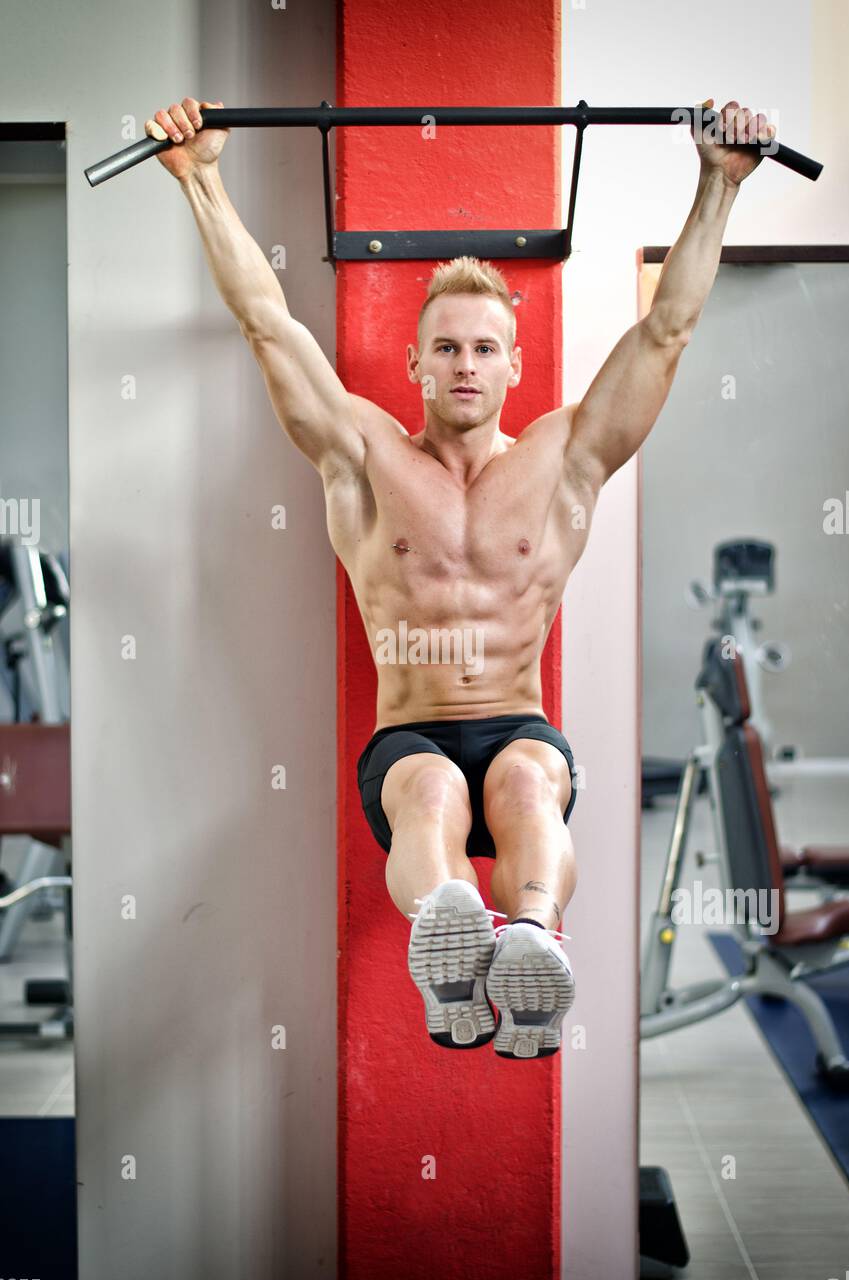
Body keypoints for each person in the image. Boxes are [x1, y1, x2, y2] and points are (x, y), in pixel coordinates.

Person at [145, 96, 775, 1058]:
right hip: (408, 738)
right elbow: (266, 325)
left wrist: (718, 185)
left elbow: (665, 332)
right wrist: (199, 177)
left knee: (525, 784)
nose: (465, 365)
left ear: (515, 366)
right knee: (434, 790)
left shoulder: (565, 457)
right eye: (446, 348)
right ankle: (452, 940)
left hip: (520, 724)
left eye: (484, 348)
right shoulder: (363, 455)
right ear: (415, 365)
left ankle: (528, 943)